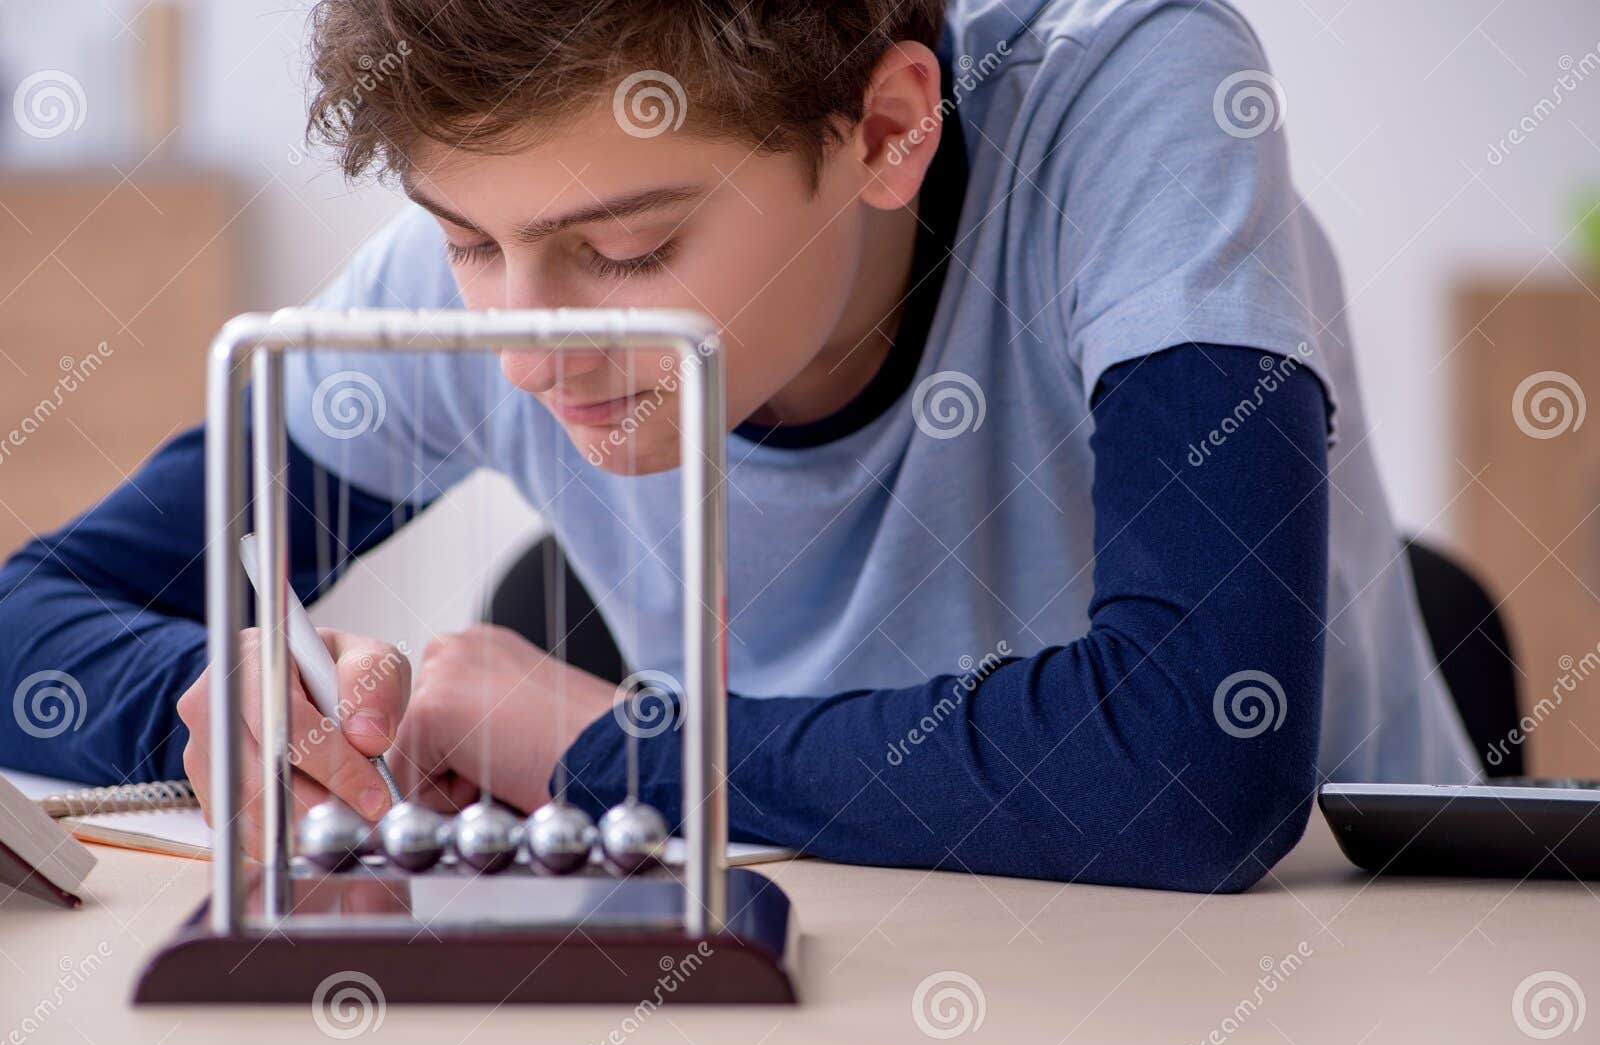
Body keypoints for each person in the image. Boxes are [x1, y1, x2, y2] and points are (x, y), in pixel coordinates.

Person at [0, 0, 1476, 892]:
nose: (522, 351)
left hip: (1330, 982)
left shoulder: (1134, 96)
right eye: (463, 241)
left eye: (630, 249)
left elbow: (1192, 757)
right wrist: (218, 699)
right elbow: (29, 624)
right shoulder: (490, 287)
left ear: (890, 128)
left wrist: (607, 745)